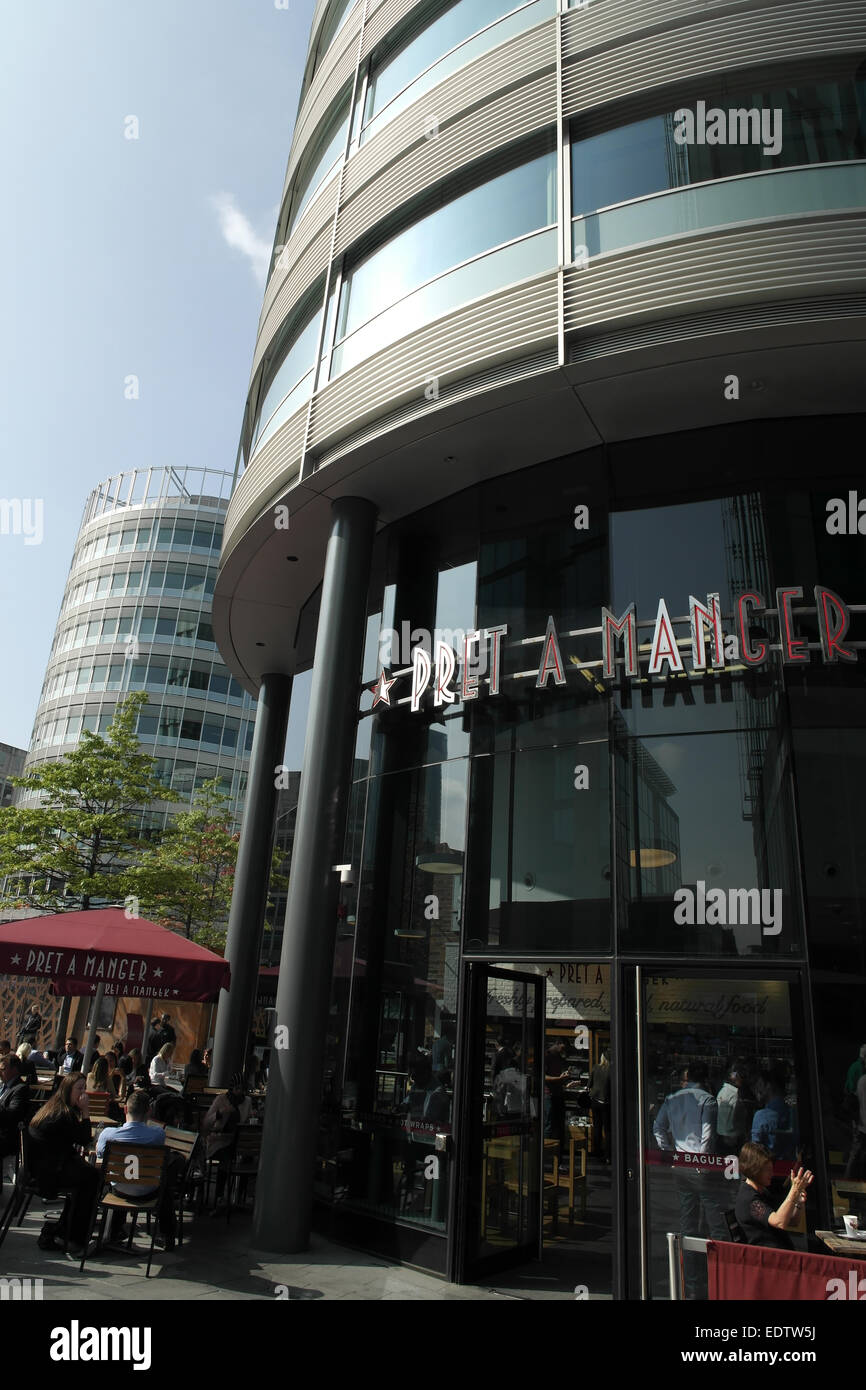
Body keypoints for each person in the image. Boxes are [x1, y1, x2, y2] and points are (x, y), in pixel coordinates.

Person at [654, 1062, 728, 1296]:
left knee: (688, 1224)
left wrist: (670, 1154)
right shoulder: (707, 1100)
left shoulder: (672, 1098)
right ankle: (719, 1282)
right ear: (705, 1079)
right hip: (700, 1167)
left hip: (681, 1164)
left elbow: (658, 1127)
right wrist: (702, 1163)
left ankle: (693, 1286)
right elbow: (708, 1136)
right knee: (716, 1224)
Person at [96, 1088, 176, 1250]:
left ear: (125, 1109)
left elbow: (99, 1153)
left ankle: (114, 1231)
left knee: (118, 1179)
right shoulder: (157, 1134)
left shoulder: (108, 1134)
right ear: (149, 1111)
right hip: (148, 1192)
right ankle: (167, 1235)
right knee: (165, 1186)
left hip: (119, 1190)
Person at [28, 1073, 100, 1255]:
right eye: (79, 1088)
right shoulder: (64, 1114)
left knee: (87, 1176)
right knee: (92, 1179)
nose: (83, 1093)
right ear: (68, 1090)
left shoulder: (52, 1107)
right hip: (48, 1174)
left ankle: (65, 1230)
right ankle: (74, 1238)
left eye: (84, 1088)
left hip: (41, 1169)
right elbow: (84, 1139)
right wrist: (86, 1111)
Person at [735, 1142, 813, 1249]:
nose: (772, 1174)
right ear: (755, 1170)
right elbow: (779, 1222)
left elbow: (792, 1221)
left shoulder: (763, 1192)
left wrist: (798, 1202)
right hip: (769, 1257)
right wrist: (794, 1191)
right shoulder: (749, 1200)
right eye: (768, 1170)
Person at [200, 1077, 252, 1211]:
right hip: (219, 1140)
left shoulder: (247, 1102)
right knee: (226, 1156)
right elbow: (206, 1123)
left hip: (237, 1141)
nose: (240, 1092)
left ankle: (241, 1196)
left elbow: (247, 1120)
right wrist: (220, 1113)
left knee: (249, 1156)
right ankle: (219, 1196)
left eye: (242, 1089)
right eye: (237, 1088)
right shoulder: (221, 1099)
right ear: (231, 1088)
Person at [0, 1054, 31, 1160]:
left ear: (14, 1070)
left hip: (6, 1137)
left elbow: (13, 1115)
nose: (0, 1072)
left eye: (3, 1069)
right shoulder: (3, 1086)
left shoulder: (20, 1088)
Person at [717, 1061, 750, 1155]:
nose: (743, 1079)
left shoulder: (723, 1091)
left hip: (724, 1138)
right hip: (731, 1140)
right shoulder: (733, 1094)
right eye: (741, 1075)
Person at [544, 1040, 570, 1144]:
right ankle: (546, 1148)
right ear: (557, 1044)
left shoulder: (559, 1057)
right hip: (549, 1094)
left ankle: (558, 1149)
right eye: (562, 1048)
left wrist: (565, 1079)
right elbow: (543, 1076)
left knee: (559, 1123)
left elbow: (558, 1075)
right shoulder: (546, 1056)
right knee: (550, 1123)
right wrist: (559, 1078)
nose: (563, 1050)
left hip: (558, 1093)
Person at [590, 1050, 612, 1162]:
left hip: (595, 1101)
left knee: (597, 1127)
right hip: (606, 1102)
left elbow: (590, 1084)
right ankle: (608, 1155)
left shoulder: (595, 1067)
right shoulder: (611, 1070)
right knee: (608, 1129)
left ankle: (596, 1151)